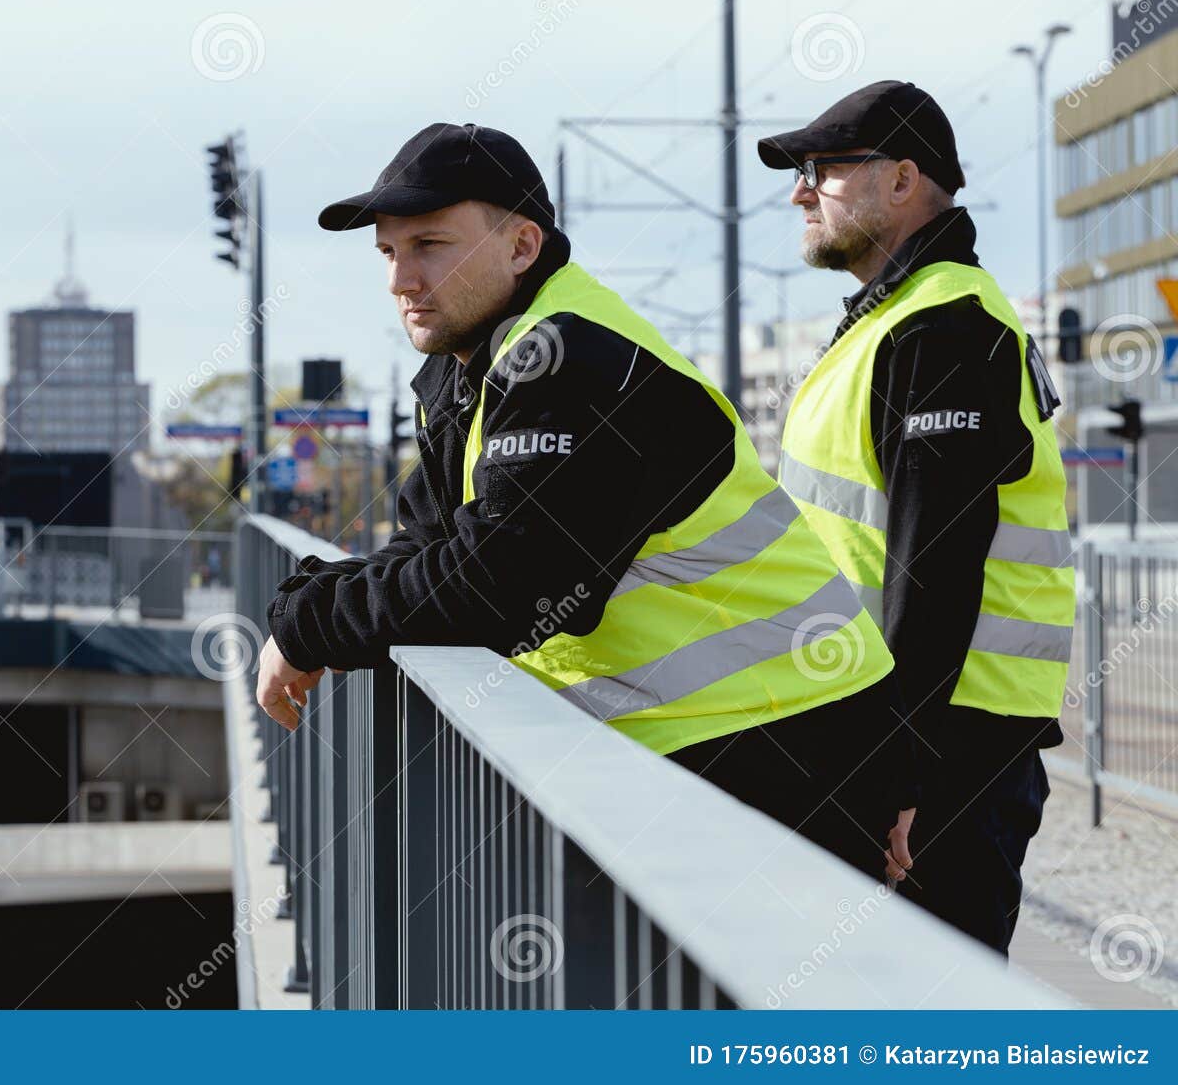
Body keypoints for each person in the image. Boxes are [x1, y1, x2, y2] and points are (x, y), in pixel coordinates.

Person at [254, 121, 915, 881]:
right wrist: (312, 601)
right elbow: (427, 543)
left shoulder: (572, 363)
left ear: (522, 247)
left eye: (430, 245)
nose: (401, 279)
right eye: (388, 253)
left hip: (790, 743)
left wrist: (309, 624)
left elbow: (493, 588)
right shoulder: (470, 363)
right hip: (709, 743)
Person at [757, 81, 1074, 952]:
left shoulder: (944, 329)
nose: (799, 190)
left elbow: (933, 565)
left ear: (902, 181)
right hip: (907, 734)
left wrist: (894, 773)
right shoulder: (895, 318)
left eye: (822, 169)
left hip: (944, 753)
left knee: (930, 1026)